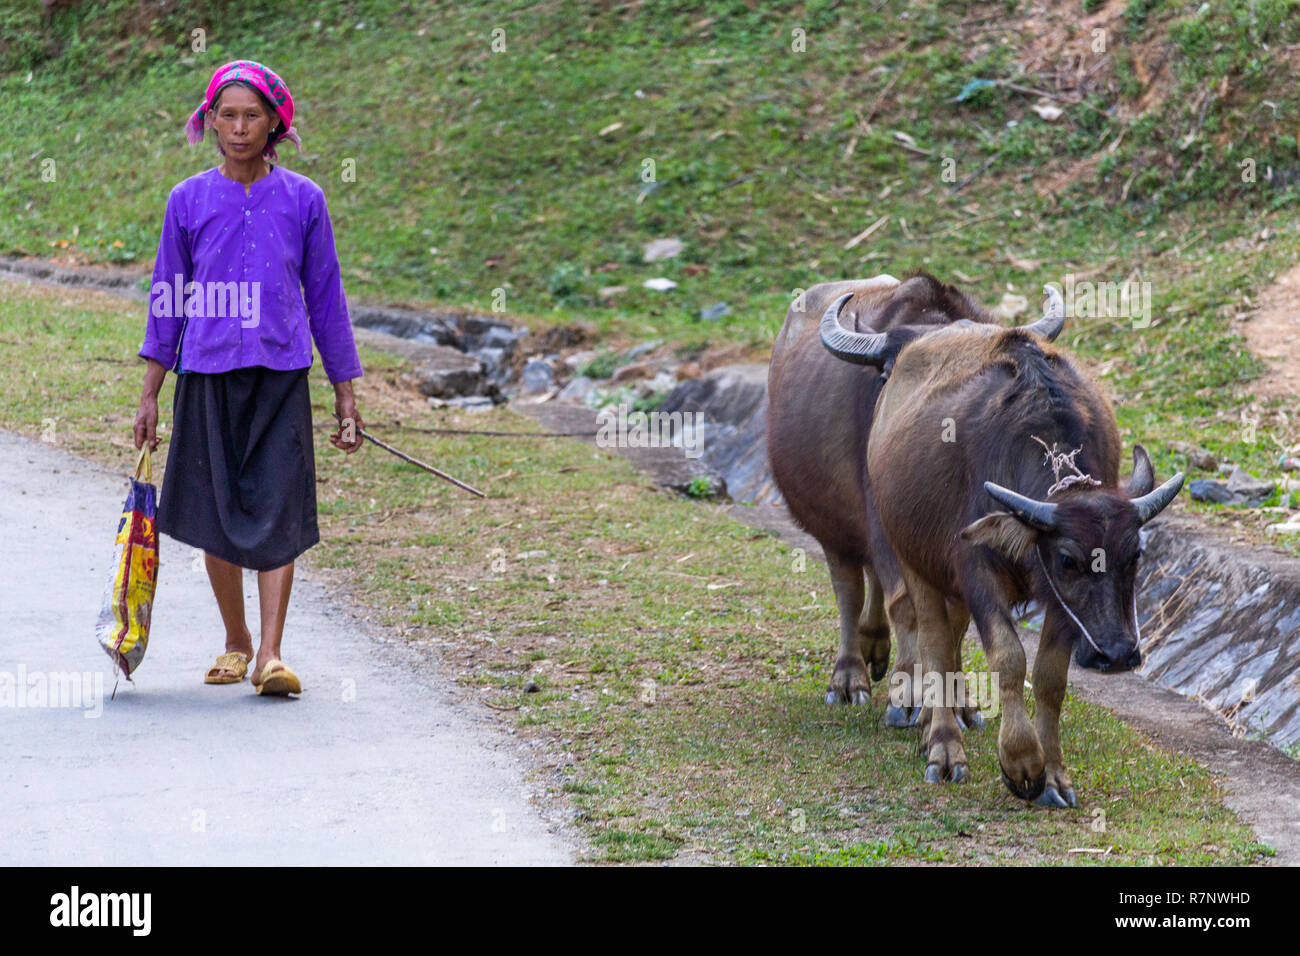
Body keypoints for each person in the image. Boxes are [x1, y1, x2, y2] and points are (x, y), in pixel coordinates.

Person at [133, 60, 365, 696]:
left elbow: (326, 298)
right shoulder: (188, 201)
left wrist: (345, 391)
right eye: (227, 116)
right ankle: (235, 641)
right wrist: (150, 393)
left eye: (252, 116)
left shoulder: (303, 200)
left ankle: (270, 654)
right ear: (211, 122)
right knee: (216, 509)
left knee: (277, 506)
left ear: (274, 124)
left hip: (280, 376)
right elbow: (167, 299)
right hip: (206, 374)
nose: (238, 128)